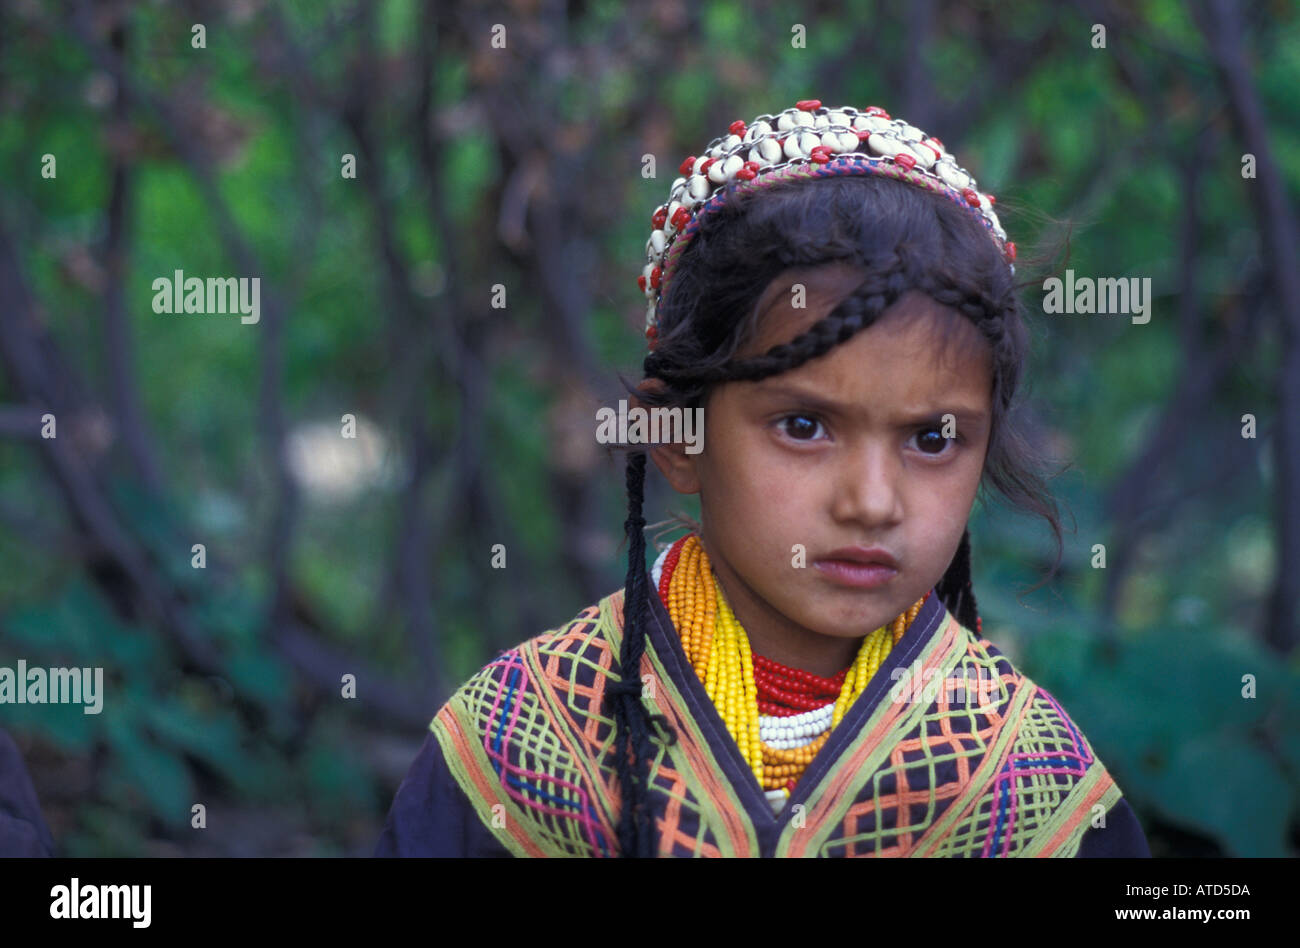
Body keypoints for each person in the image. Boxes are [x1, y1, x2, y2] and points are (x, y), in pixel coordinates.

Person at [375, 100, 1150, 857]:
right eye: (804, 426)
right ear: (679, 436)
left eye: (932, 438)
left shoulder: (1024, 781)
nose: (873, 502)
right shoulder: (527, 739)